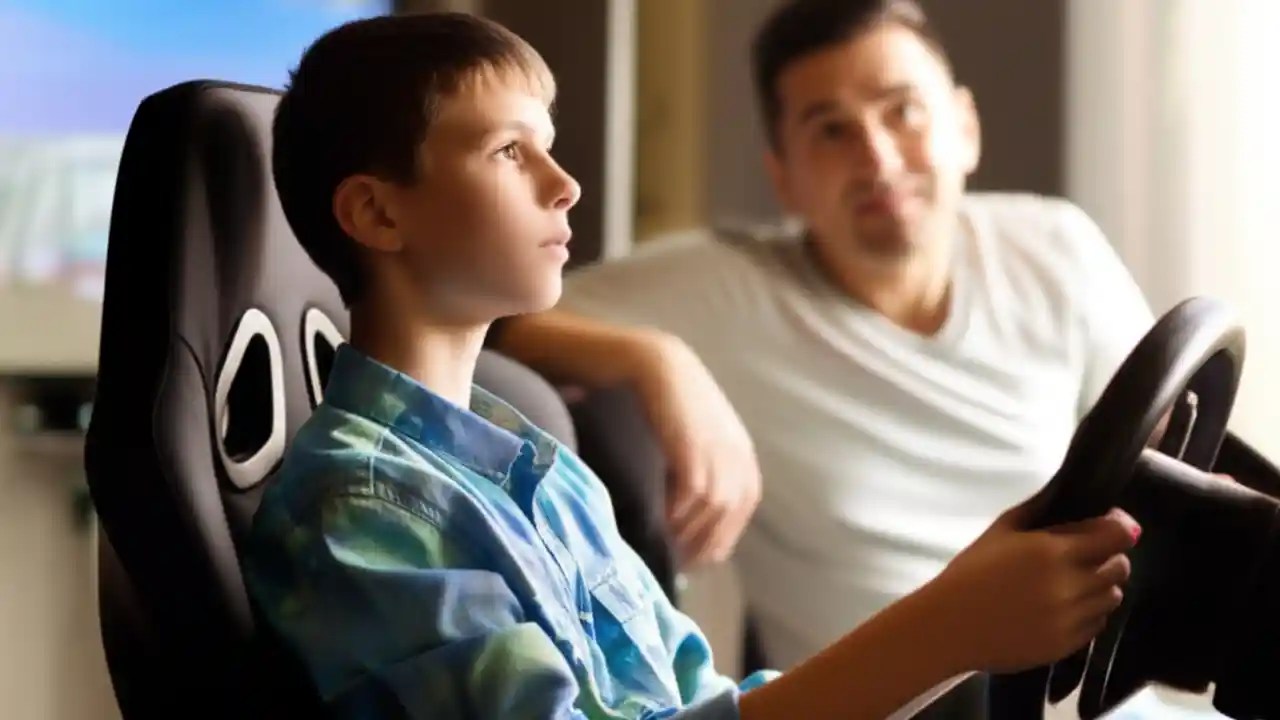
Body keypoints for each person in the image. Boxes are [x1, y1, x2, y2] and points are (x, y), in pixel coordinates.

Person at [241, 11, 1141, 720]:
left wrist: (962, 623)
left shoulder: (539, 469)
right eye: (510, 151)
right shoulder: (365, 503)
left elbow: (695, 702)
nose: (566, 183)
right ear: (376, 214)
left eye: (548, 145)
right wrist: (946, 625)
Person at [486, 0, 1161, 714]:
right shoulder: (724, 291)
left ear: (964, 127)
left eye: (902, 112)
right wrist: (657, 358)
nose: (876, 156)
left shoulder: (1058, 248)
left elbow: (1178, 462)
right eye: (831, 130)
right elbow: (483, 307)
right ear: (784, 175)